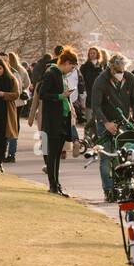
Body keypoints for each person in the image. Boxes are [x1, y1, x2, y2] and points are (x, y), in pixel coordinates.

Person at [90, 54, 134, 199]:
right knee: (106, 156)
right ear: (111, 68)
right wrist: (106, 123)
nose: (120, 74)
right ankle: (108, 190)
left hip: (124, 121)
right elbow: (96, 105)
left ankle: (124, 186)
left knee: (126, 155)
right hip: (104, 122)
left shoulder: (130, 78)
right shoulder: (101, 80)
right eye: (117, 71)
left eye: (122, 71)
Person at [37, 49, 78, 195]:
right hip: (53, 119)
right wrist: (60, 96)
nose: (71, 70)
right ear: (66, 63)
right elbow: (42, 94)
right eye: (72, 67)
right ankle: (53, 184)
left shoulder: (61, 76)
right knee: (52, 154)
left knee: (57, 154)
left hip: (62, 119)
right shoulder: (51, 73)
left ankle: (57, 183)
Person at [6, 51, 31, 163]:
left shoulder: (11, 72)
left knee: (9, 123)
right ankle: (14, 138)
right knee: (16, 122)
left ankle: (10, 144)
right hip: (20, 101)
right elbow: (27, 83)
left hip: (12, 100)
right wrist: (23, 89)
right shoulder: (21, 70)